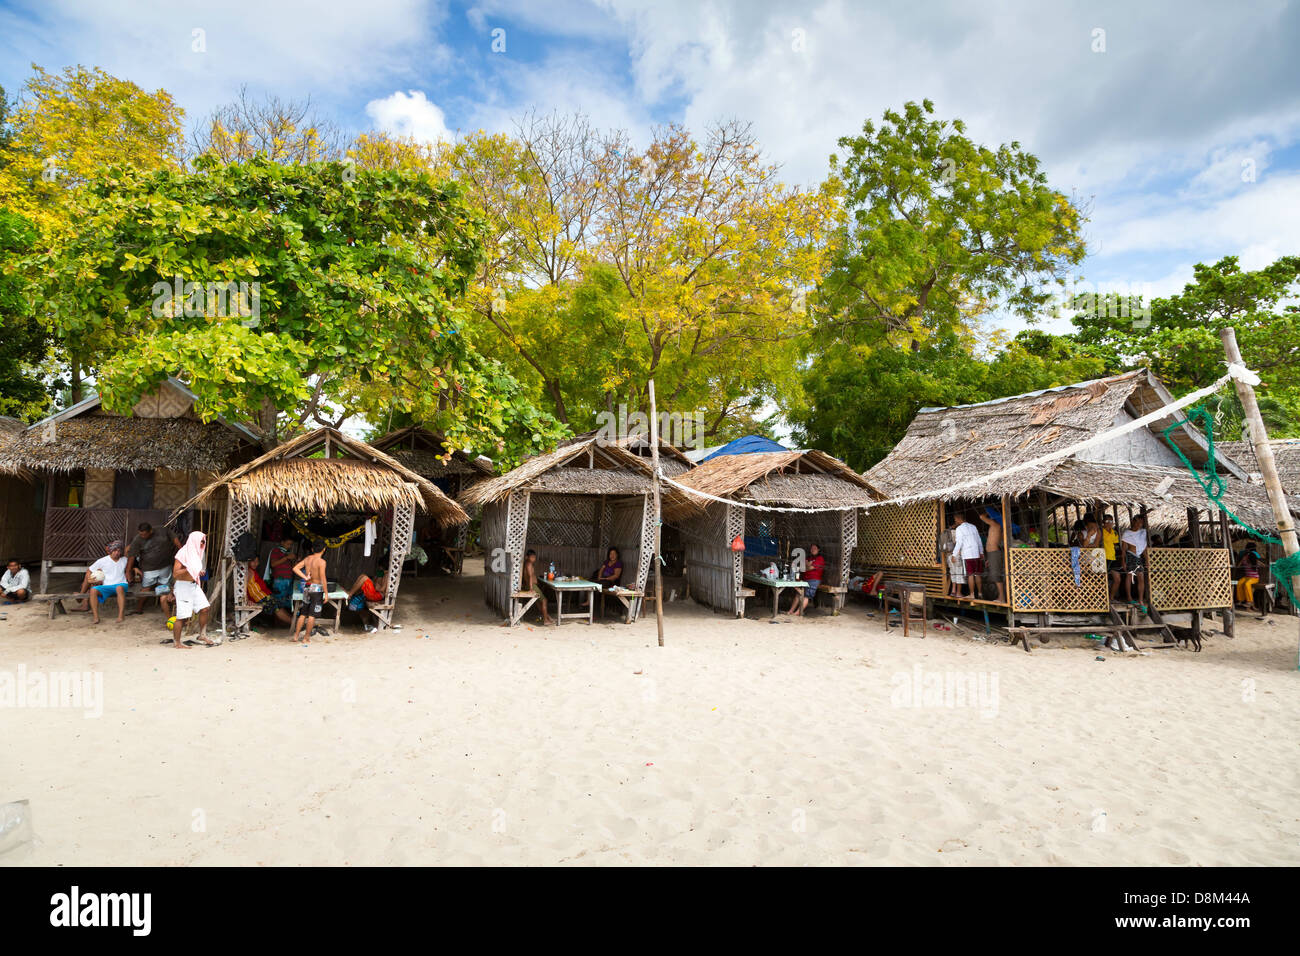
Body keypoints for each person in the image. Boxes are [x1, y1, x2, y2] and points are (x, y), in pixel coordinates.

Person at [124, 521, 182, 615]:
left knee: (165, 588)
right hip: (149, 569)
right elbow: (132, 556)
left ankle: (165, 608)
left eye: (144, 534)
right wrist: (128, 571)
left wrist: (182, 552)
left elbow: (175, 539)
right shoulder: (138, 539)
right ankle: (139, 608)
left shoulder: (163, 530)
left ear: (150, 531)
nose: (142, 536)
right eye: (140, 534)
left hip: (165, 566)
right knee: (146, 589)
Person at [172, 531, 215, 647]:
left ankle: (202, 634)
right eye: (201, 541)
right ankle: (177, 642)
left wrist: (197, 571)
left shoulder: (198, 553)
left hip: (193, 585)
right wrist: (190, 569)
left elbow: (195, 570)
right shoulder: (183, 553)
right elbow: (175, 574)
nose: (203, 544)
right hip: (183, 586)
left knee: (205, 608)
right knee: (182, 616)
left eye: (204, 542)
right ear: (194, 540)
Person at [80, 540, 129, 624]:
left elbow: (130, 552)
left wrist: (135, 569)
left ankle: (121, 615)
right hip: (107, 586)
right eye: (114, 550)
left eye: (119, 551)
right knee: (93, 590)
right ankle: (96, 617)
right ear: (110, 550)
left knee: (119, 588)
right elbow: (89, 570)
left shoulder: (125, 559)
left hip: (121, 584)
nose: (117, 553)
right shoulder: (102, 561)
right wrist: (90, 579)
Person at [291, 539, 328, 644]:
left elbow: (295, 568)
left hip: (307, 587)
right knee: (312, 615)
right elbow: (323, 578)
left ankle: (296, 636)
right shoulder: (321, 562)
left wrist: (305, 577)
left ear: (312, 549)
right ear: (324, 550)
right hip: (317, 589)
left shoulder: (307, 559)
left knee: (303, 613)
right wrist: (326, 593)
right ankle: (306, 638)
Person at [248, 558, 293, 626]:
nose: (256, 563)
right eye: (253, 561)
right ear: (248, 561)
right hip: (260, 598)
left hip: (264, 596)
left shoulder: (251, 570)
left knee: (279, 605)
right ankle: (295, 623)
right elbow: (243, 588)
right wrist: (247, 600)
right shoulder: (248, 572)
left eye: (257, 561)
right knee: (277, 608)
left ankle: (294, 621)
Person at [785, 543, 826, 616]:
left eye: (815, 548)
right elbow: (802, 568)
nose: (813, 549)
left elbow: (809, 568)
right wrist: (808, 564)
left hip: (814, 580)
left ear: (818, 550)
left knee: (806, 596)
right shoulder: (809, 558)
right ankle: (790, 611)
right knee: (798, 594)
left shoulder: (820, 559)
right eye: (812, 548)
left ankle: (797, 613)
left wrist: (808, 566)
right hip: (805, 580)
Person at [952, 510, 984, 599]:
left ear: (958, 519)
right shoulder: (973, 527)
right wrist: (981, 552)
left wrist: (954, 555)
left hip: (968, 554)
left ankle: (972, 594)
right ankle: (980, 593)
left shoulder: (959, 529)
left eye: (955, 519)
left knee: (970, 575)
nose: (955, 521)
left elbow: (959, 543)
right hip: (976, 553)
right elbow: (979, 540)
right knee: (977, 574)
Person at [267, 535, 298, 621]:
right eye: (288, 544)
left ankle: (285, 622)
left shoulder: (287, 553)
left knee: (286, 602)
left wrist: (295, 561)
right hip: (279, 581)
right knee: (278, 602)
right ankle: (277, 623)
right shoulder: (276, 551)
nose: (289, 546)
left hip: (288, 580)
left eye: (291, 544)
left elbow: (292, 567)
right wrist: (287, 557)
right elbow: (273, 564)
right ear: (282, 542)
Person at [979, 509, 1007, 604]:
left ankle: (1001, 598)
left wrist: (988, 511)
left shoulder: (995, 525)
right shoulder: (996, 527)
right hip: (992, 554)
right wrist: (988, 558)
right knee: (994, 575)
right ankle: (1000, 597)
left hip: (994, 553)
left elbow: (981, 517)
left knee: (996, 575)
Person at [1120, 515, 1149, 605]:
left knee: (1141, 577)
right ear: (1133, 521)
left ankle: (1140, 599)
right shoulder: (1127, 533)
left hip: (1139, 556)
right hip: (1130, 555)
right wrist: (1123, 561)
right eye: (1137, 522)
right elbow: (1124, 549)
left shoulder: (1142, 533)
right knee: (1129, 576)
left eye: (1141, 523)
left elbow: (1143, 547)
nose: (1139, 524)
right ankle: (1129, 597)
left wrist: (1147, 560)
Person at [522, 549, 551, 626]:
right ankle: (545, 620)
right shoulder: (529, 564)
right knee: (544, 600)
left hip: (530, 585)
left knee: (538, 602)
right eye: (532, 557)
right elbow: (530, 576)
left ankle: (547, 617)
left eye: (534, 557)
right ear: (527, 557)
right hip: (532, 586)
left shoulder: (526, 564)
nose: (533, 559)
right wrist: (531, 588)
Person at [1101, 514, 1121, 597]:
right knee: (1102, 579)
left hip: (1112, 558)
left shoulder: (1115, 533)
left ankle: (1111, 598)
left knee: (1117, 579)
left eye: (1111, 521)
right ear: (1103, 522)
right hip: (1102, 558)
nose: (1109, 523)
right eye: (1107, 521)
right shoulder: (1100, 531)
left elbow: (1116, 546)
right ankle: (1103, 599)